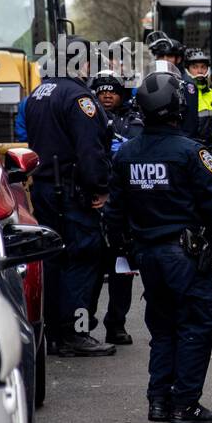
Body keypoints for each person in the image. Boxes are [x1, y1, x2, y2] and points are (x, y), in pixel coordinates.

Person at [104, 70, 212, 423]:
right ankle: (185, 404)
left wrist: (121, 249)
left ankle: (159, 400)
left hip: (147, 255)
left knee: (163, 327)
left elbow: (114, 210)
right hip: (184, 256)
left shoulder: (126, 154)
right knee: (198, 325)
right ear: (178, 107)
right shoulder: (192, 154)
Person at [23, 35, 115, 357]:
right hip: (73, 193)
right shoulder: (79, 97)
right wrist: (99, 188)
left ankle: (51, 332)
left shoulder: (38, 93)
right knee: (83, 257)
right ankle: (76, 332)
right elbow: (90, 150)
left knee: (53, 260)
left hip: (46, 189)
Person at [88, 71, 143, 345]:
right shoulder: (87, 119)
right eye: (101, 91)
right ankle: (83, 323)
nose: (107, 95)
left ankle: (116, 324)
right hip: (93, 204)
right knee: (92, 270)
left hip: (125, 206)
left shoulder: (135, 122)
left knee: (123, 271)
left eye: (112, 91)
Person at [147, 31, 199, 140]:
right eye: (161, 56)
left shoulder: (186, 84)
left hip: (178, 141)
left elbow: (190, 124)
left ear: (178, 59)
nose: (165, 60)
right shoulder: (150, 80)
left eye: (169, 56)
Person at [185, 48, 212, 152]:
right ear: (187, 69)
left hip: (211, 149)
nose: (199, 71)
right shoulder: (183, 93)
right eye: (195, 67)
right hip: (190, 148)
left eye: (203, 67)